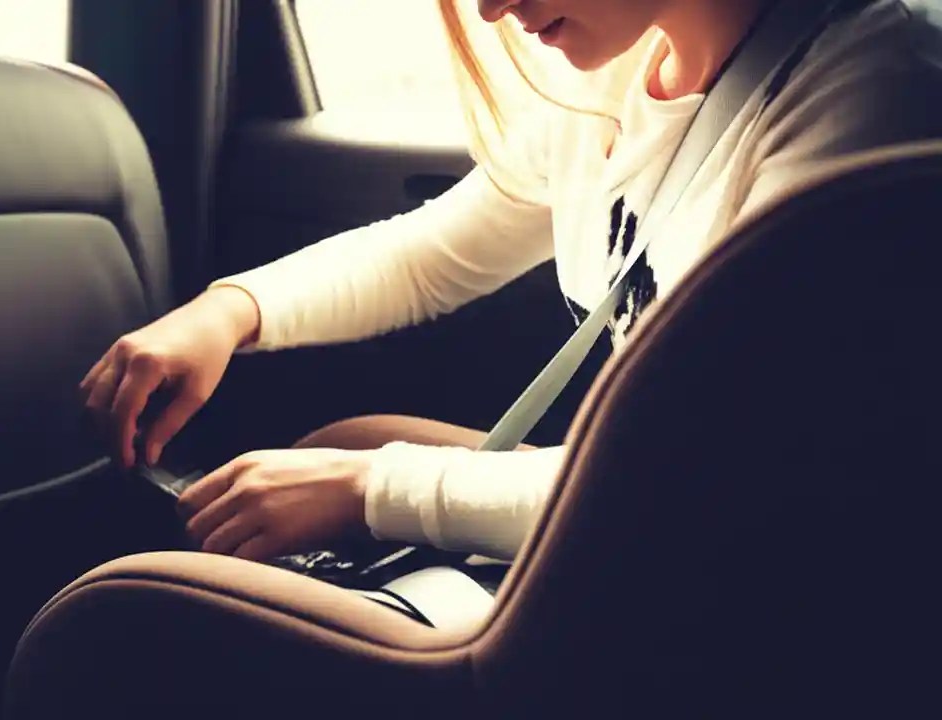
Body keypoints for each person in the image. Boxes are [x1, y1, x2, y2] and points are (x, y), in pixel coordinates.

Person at [81, 0, 942, 565]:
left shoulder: (870, 101)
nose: (490, 7)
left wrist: (372, 489)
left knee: (131, 621)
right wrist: (227, 312)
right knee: (328, 448)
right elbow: (429, 253)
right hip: (656, 512)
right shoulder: (615, 85)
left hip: (745, 585)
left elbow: (720, 487)